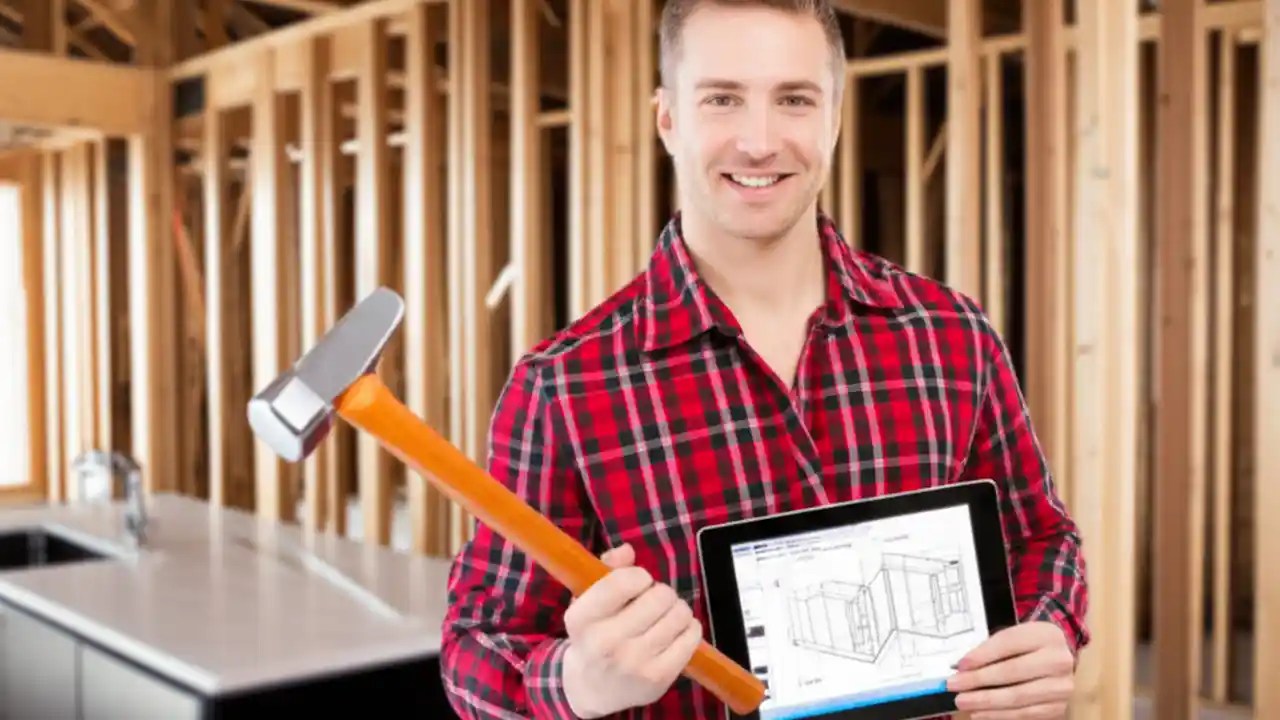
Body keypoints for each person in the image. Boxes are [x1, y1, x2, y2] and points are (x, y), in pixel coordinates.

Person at [440, 0, 1089, 718]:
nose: (758, 141)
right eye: (722, 99)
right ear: (668, 120)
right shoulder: (563, 386)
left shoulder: (951, 336)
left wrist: (1045, 631)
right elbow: (478, 646)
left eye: (794, 100)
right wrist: (576, 681)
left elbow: (1041, 536)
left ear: (834, 119)